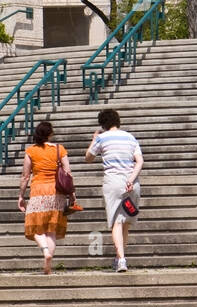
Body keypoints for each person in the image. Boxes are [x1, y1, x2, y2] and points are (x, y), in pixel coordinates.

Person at [85, 108, 143, 273]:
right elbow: (139, 161)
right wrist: (131, 179)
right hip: (132, 183)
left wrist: (94, 140)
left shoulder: (102, 138)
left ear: (103, 124)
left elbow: (88, 158)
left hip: (114, 182)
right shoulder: (130, 137)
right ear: (118, 121)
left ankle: (121, 260)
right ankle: (119, 257)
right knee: (126, 223)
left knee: (116, 221)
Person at [18, 120, 75, 275]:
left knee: (34, 226)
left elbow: (25, 176)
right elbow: (68, 172)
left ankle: (45, 251)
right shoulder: (59, 149)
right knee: (51, 230)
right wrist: (72, 194)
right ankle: (48, 262)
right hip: (57, 192)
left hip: (38, 191)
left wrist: (21, 196)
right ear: (50, 134)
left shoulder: (31, 151)